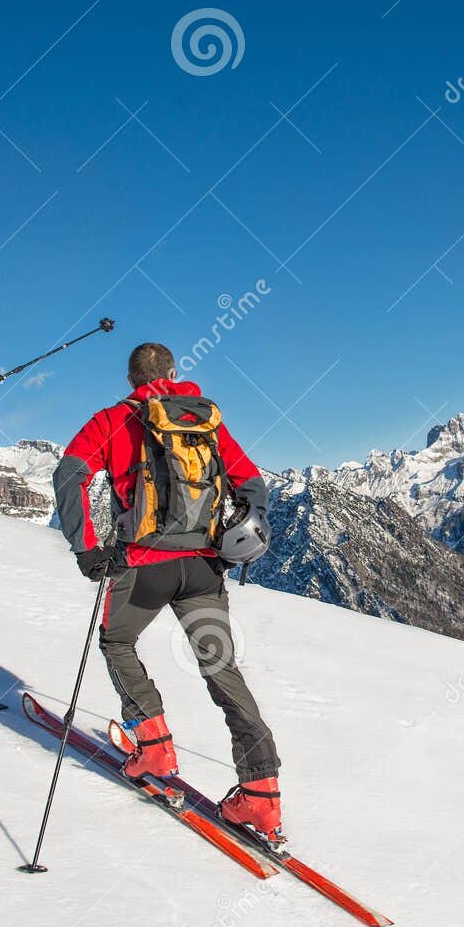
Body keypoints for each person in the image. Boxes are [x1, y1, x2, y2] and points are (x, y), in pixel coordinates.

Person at [52, 342, 281, 838]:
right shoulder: (204, 420)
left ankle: (153, 744)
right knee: (221, 668)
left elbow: (69, 475)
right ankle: (261, 793)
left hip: (143, 567)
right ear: (174, 374)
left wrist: (87, 549)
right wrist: (237, 539)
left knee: (117, 642)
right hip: (203, 568)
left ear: (130, 379)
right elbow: (252, 484)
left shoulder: (113, 419)